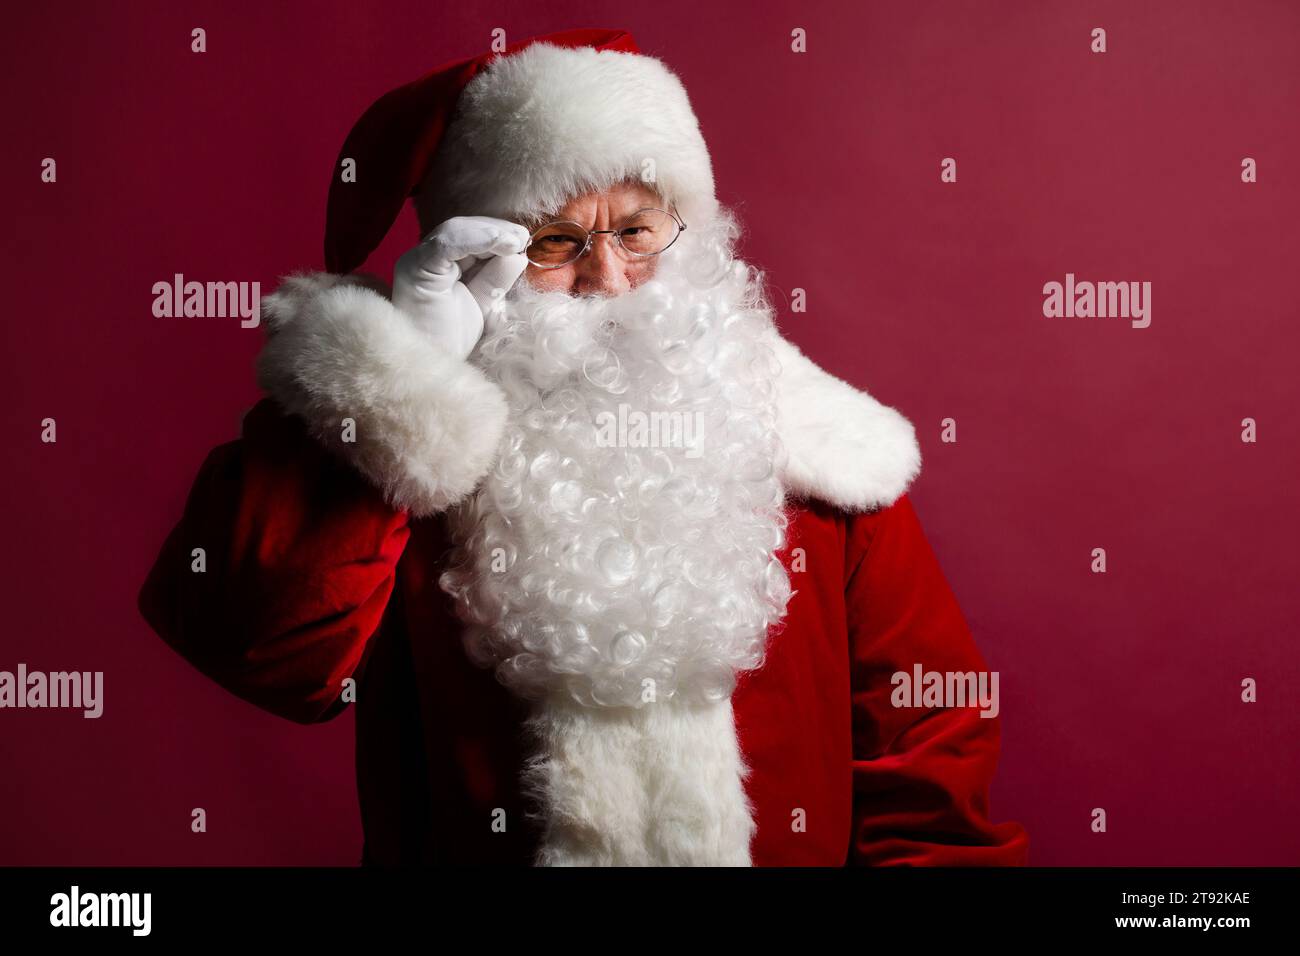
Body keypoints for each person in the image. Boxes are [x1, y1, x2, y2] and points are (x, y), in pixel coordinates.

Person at [138, 27, 1028, 866]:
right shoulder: (398, 454)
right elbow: (258, 649)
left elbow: (928, 744)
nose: (607, 281)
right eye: (556, 242)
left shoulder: (819, 448)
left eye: (637, 232)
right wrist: (400, 377)